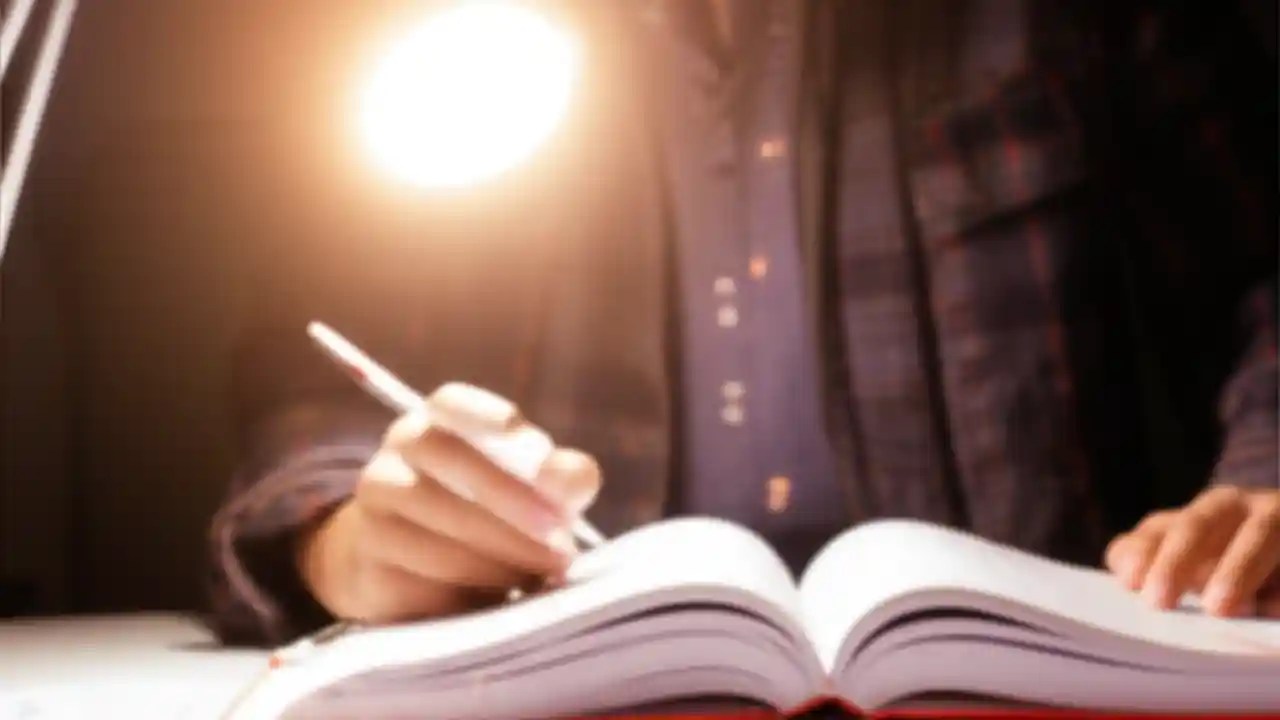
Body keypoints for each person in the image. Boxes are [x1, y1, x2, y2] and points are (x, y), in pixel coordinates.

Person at [208, 0, 1278, 645]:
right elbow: (309, 351)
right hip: (588, 681)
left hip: (1035, 676)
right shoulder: (454, 41)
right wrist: (345, 537)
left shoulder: (1077, 15)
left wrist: (1268, 475)